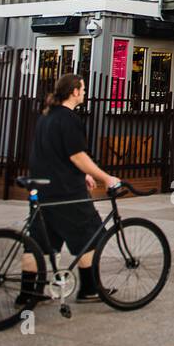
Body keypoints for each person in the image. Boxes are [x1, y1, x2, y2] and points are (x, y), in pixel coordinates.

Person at [20, 74, 122, 306]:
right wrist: (105, 177)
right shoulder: (69, 119)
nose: (85, 92)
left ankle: (27, 294)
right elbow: (77, 155)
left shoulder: (46, 117)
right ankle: (89, 288)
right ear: (74, 91)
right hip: (66, 191)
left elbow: (54, 152)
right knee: (91, 235)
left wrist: (84, 173)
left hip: (42, 187)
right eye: (83, 88)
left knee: (38, 242)